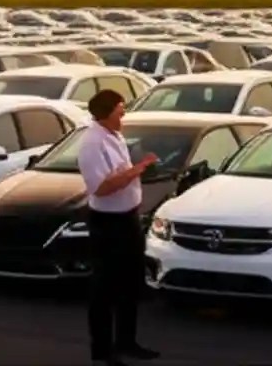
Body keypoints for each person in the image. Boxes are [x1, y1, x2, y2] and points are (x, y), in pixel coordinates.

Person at [78, 89, 162, 365]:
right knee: (105, 289)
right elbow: (102, 188)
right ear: (106, 112)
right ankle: (103, 350)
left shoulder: (116, 135)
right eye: (120, 109)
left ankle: (127, 341)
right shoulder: (92, 143)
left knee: (130, 283)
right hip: (108, 224)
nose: (123, 113)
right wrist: (139, 169)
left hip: (128, 217)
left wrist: (137, 170)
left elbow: (120, 175)